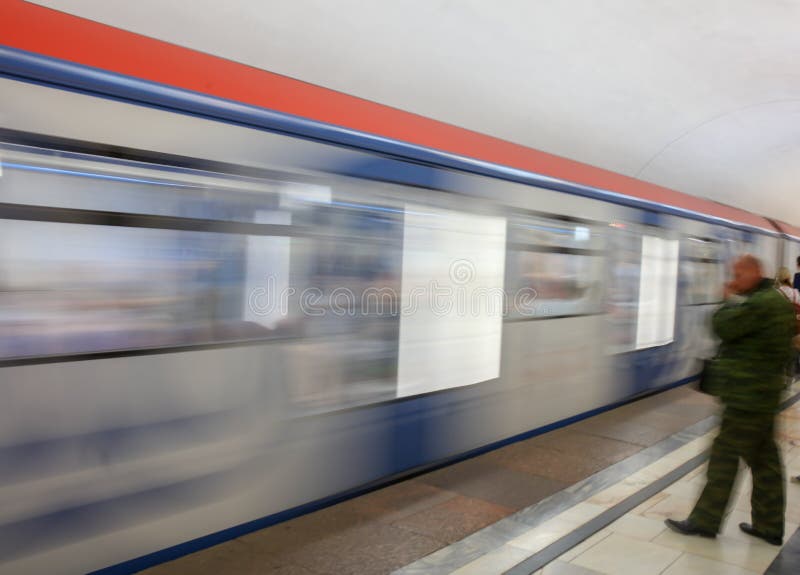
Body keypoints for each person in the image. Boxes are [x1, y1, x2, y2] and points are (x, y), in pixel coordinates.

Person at [665, 255, 795, 546]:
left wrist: (726, 299)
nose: (734, 280)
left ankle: (705, 521)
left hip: (747, 397)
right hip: (763, 395)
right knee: (765, 462)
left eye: (738, 274)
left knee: (724, 457)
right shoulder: (775, 300)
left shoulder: (760, 304)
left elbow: (723, 326)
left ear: (754, 272)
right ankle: (769, 525)